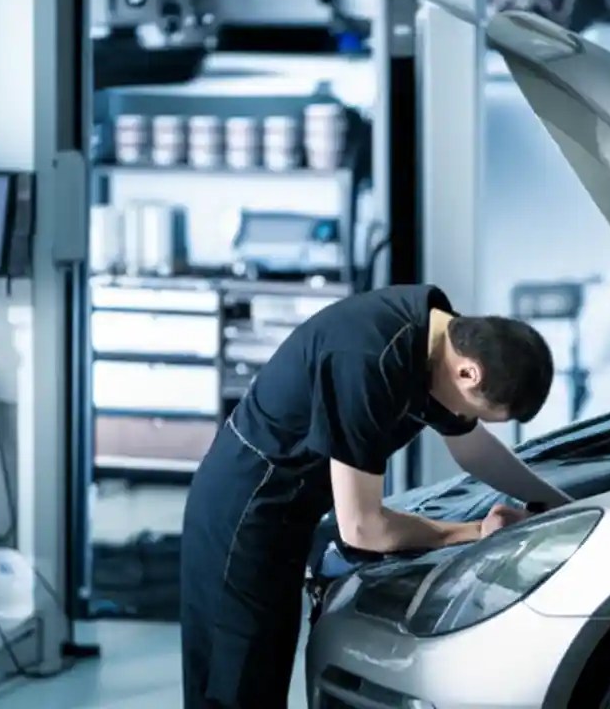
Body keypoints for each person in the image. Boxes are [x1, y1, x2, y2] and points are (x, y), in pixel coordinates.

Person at [179, 283, 559, 709]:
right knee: (233, 688)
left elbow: (473, 449)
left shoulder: (436, 337)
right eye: (473, 410)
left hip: (287, 515)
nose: (462, 418)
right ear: (469, 373)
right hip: (242, 513)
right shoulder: (367, 360)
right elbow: (364, 528)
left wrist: (559, 506)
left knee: (263, 680)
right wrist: (477, 531)